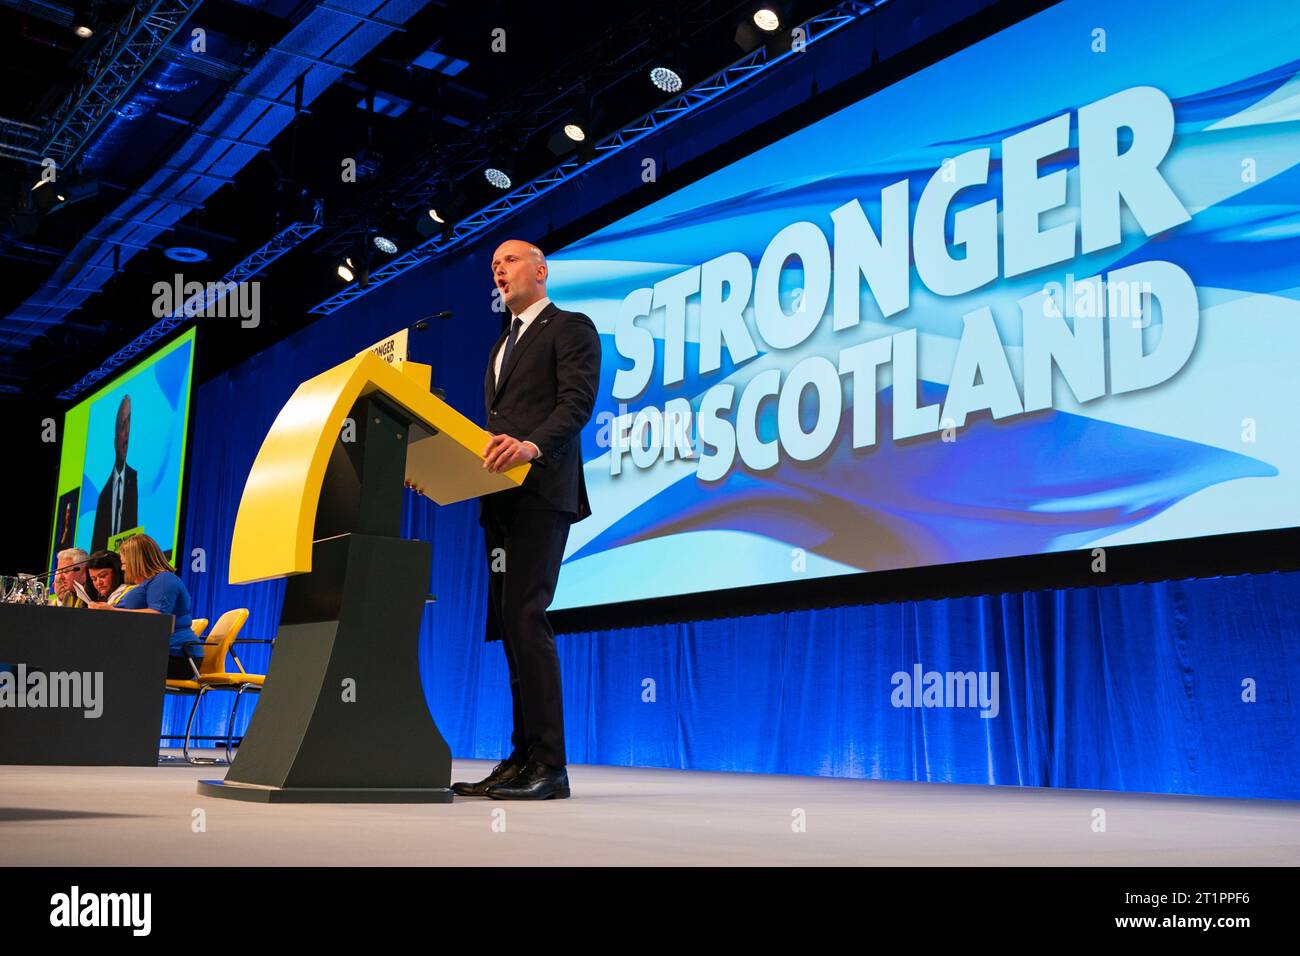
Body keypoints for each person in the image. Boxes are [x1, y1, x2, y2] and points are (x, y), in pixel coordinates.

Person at [451, 239, 600, 801]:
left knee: (528, 618)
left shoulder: (571, 327)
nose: (499, 271)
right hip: (501, 500)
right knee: (512, 627)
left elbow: (576, 405)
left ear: (541, 269)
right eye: (493, 266)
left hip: (542, 492)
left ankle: (551, 766)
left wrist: (532, 446)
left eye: (508, 261)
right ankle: (521, 757)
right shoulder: (498, 346)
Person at [87, 534, 195, 679]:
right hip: (153, 652)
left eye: (124, 563)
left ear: (137, 561)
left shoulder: (164, 579)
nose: (123, 569)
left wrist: (112, 611)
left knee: (100, 666)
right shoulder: (148, 583)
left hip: (176, 656)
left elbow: (159, 617)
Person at [91, 394, 139, 553]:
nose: (126, 433)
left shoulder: (137, 480)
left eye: (129, 424)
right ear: (114, 439)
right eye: (122, 425)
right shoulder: (104, 495)